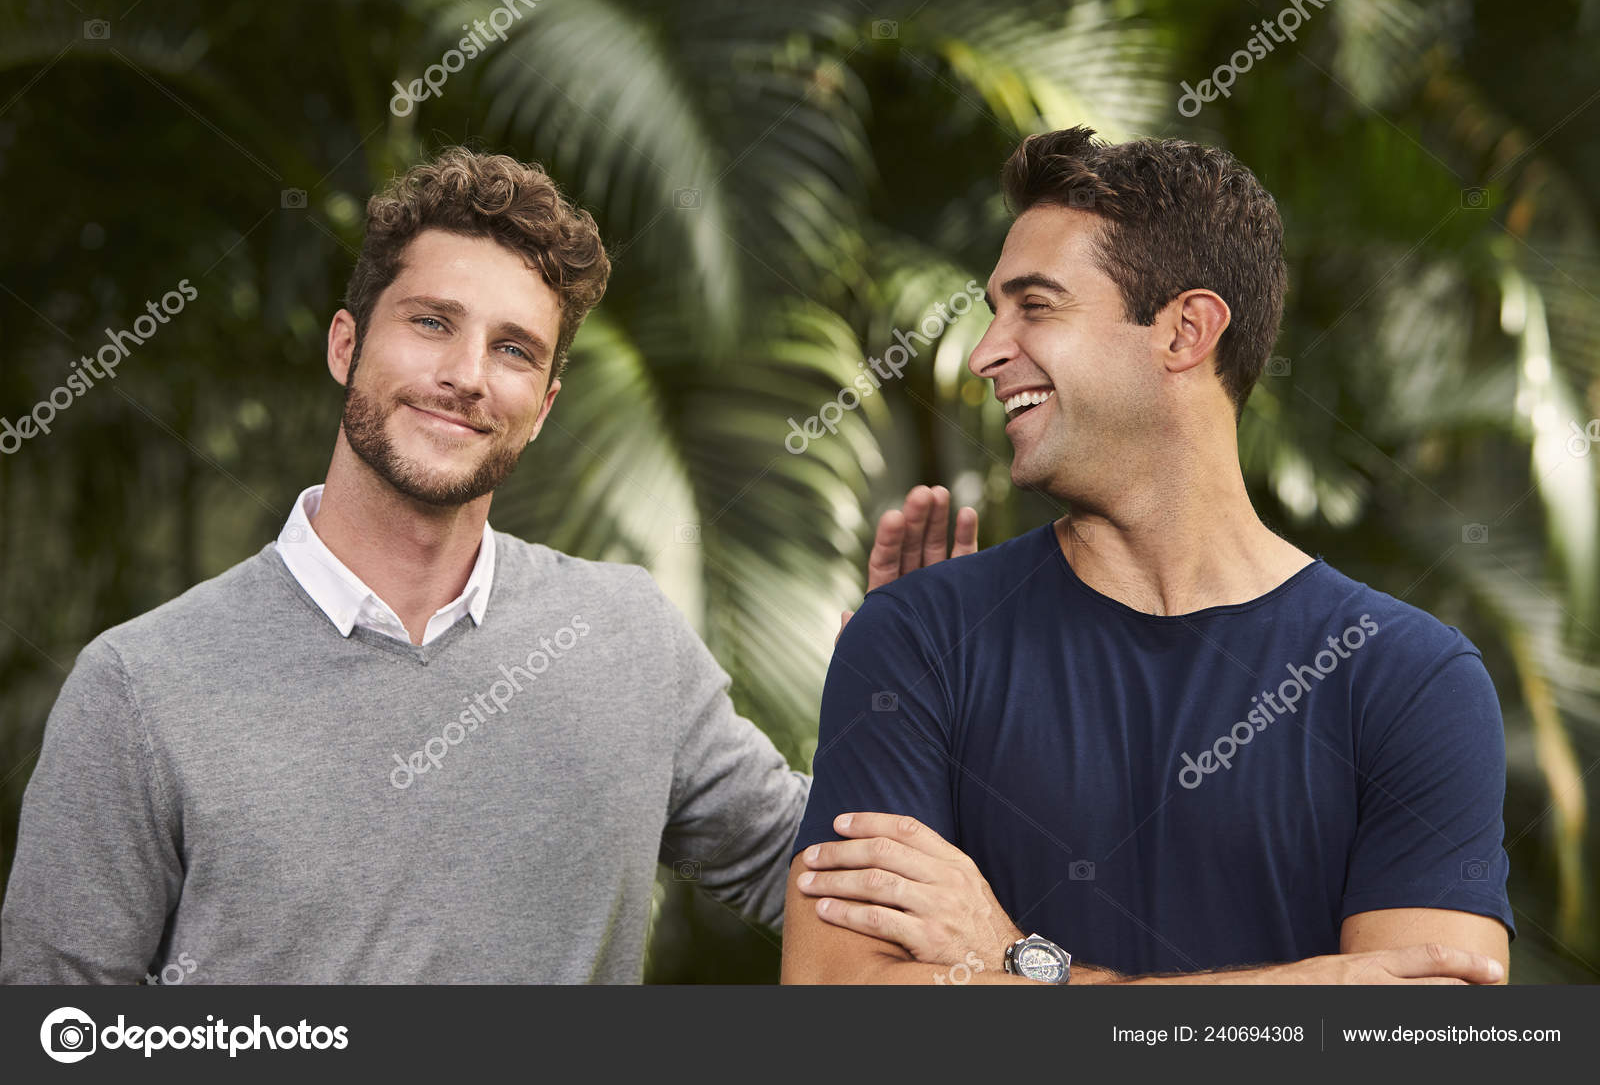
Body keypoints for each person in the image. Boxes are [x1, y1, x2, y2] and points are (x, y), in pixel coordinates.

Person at [0, 147, 973, 985]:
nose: (466, 375)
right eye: (431, 322)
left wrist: (895, 706)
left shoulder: (627, 638)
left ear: (542, 406)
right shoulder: (140, 687)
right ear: (346, 345)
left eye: (512, 349)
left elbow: (828, 881)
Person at [781, 127, 1513, 986]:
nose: (985, 353)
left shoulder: (1411, 680)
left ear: (1184, 330)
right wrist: (1294, 993)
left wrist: (1020, 961)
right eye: (993, 312)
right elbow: (837, 1009)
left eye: (1036, 306)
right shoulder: (916, 637)